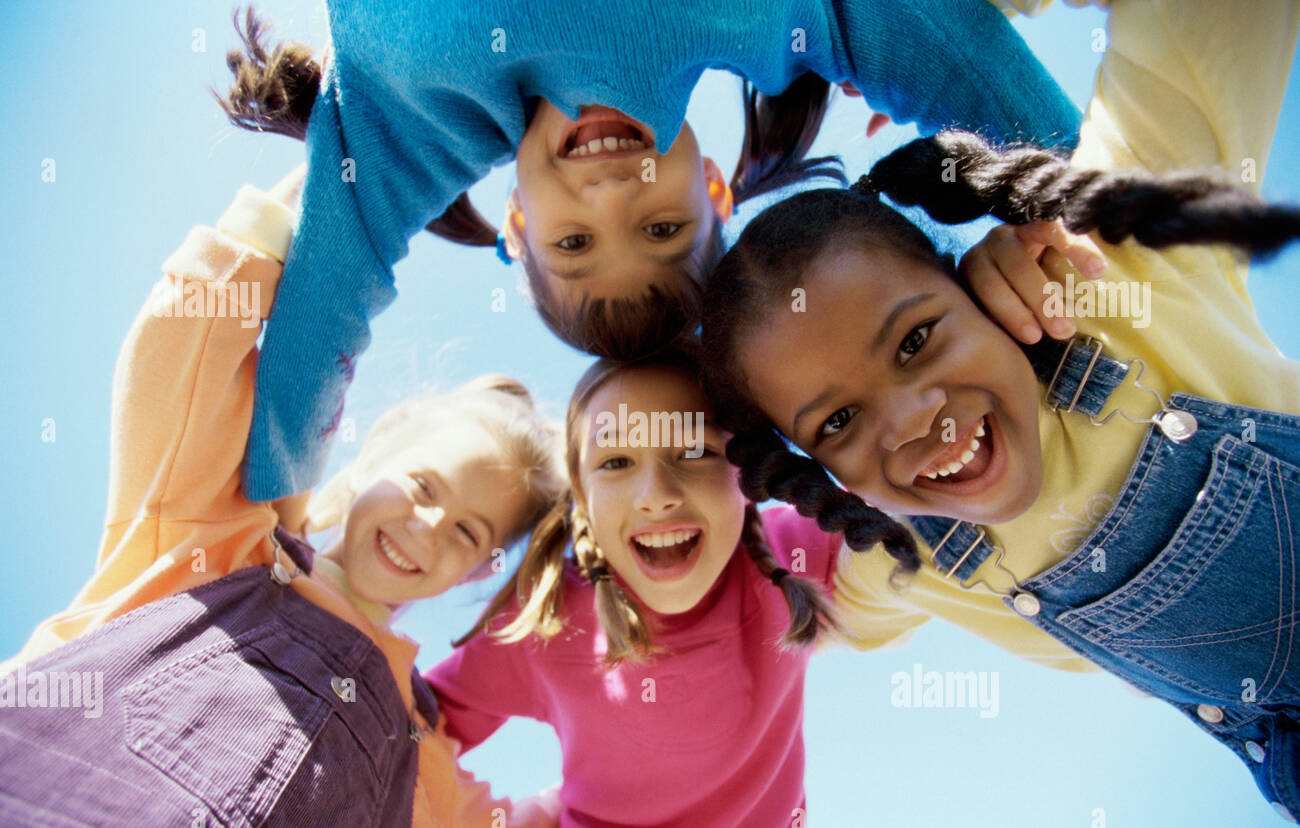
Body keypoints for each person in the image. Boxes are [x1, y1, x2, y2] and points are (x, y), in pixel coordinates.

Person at [699, 0, 1300, 820]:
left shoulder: (1105, 263)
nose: (912, 419)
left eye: (915, 339)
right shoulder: (903, 557)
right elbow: (765, 609)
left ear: (972, 283)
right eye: (836, 424)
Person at [217, 0, 1085, 503]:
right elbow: (1058, 157)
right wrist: (1059, 216)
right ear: (711, 189)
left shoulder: (407, 118)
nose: (611, 194)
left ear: (518, 226)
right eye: (664, 230)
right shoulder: (771, 22)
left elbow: (322, 313)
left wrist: (277, 503)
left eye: (573, 243)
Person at [0, 168, 566, 828]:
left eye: (466, 533)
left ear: (479, 571)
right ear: (377, 447)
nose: (426, 525)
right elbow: (181, 364)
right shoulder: (222, 540)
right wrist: (293, 211)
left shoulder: (422, 744)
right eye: (422, 485)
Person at [426, 348, 843, 828]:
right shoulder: (548, 614)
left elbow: (915, 509)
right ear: (582, 492)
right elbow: (418, 723)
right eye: (617, 462)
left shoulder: (790, 554)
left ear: (750, 474)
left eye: (695, 451)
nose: (656, 494)